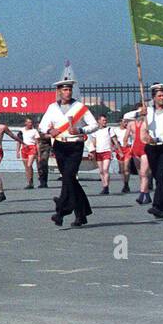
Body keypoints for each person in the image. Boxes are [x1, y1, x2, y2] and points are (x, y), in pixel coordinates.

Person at [38, 77, 99, 226]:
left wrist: (80, 129)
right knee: (70, 180)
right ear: (58, 91)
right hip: (60, 145)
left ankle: (61, 211)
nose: (68, 92)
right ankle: (82, 214)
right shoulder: (52, 107)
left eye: (70, 89)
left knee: (68, 176)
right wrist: (49, 130)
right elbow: (42, 126)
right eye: (65, 89)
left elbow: (94, 125)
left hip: (75, 146)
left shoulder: (80, 107)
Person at [140, 83, 163, 219]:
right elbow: (128, 116)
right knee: (158, 177)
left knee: (161, 175)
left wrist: (157, 138)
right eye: (159, 95)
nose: (162, 97)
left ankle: (158, 205)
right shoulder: (149, 111)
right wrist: (140, 113)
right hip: (151, 148)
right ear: (153, 97)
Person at [87, 114, 118, 195]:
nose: (105, 122)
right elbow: (93, 142)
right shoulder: (95, 131)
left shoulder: (109, 129)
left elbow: (115, 141)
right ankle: (104, 186)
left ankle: (106, 187)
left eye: (105, 120)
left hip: (107, 151)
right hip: (98, 152)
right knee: (101, 171)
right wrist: (91, 152)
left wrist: (119, 150)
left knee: (105, 169)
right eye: (103, 120)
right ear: (99, 121)